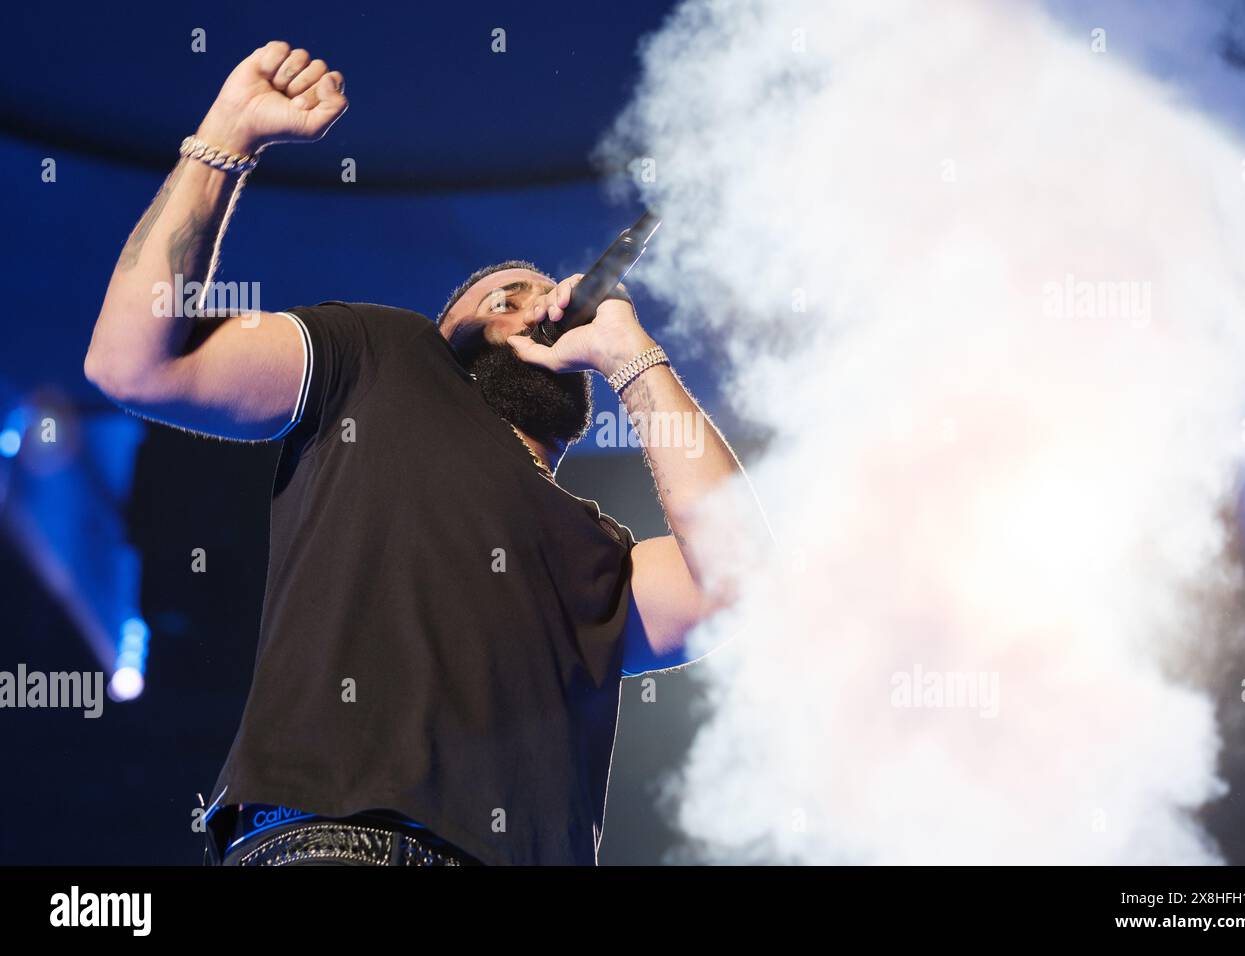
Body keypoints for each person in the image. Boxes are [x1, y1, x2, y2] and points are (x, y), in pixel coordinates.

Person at [84, 41, 764, 866]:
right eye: (499, 297)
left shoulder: (602, 558)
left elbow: (738, 581)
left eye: (538, 295)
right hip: (341, 845)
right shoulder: (384, 357)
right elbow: (133, 362)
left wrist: (630, 355)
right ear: (451, 340)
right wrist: (227, 137)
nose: (536, 305)